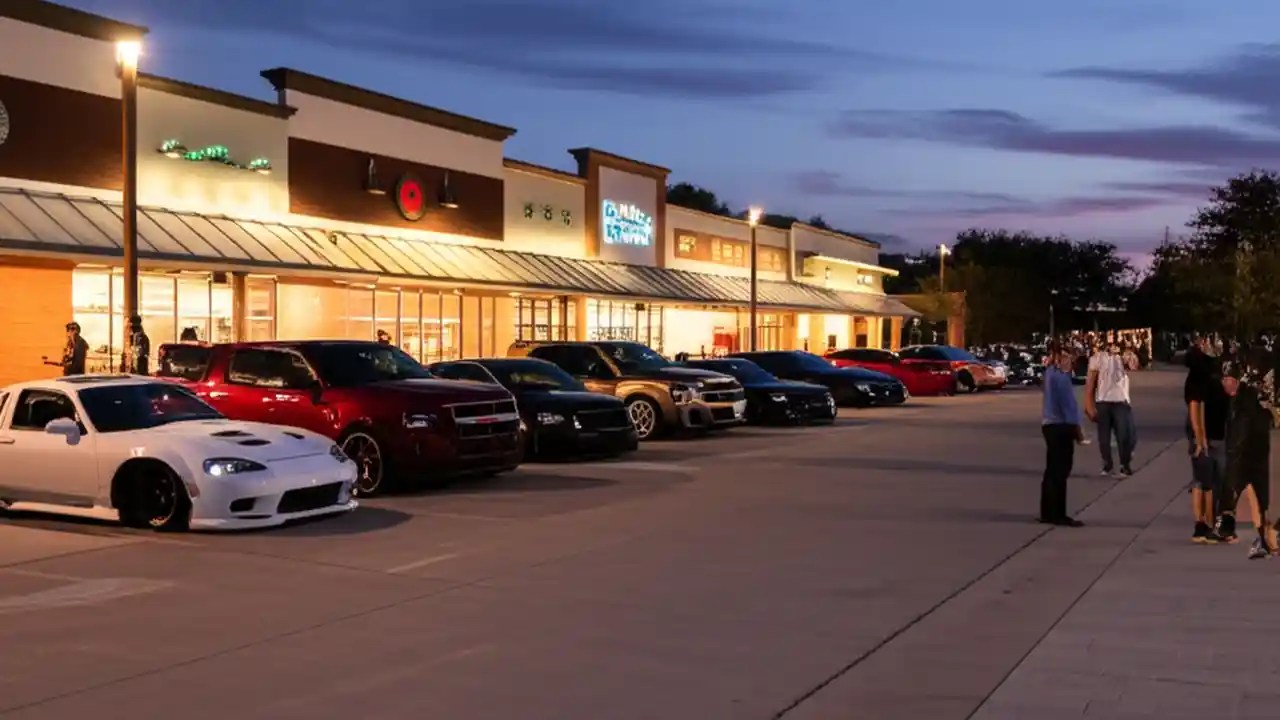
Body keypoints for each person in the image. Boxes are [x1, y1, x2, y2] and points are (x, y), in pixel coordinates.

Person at [1222, 343, 1280, 559]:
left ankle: (1267, 535)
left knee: (1256, 489)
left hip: (1254, 437)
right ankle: (1266, 535)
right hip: (1252, 439)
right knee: (1255, 487)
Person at [1185, 337, 1228, 543]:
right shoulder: (1198, 380)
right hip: (1207, 436)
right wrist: (1200, 438)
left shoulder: (1205, 379)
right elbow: (1196, 409)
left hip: (1212, 434)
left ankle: (1206, 524)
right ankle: (1205, 524)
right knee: (1207, 482)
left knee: (1206, 482)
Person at [1040, 341, 1086, 527]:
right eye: (1067, 358)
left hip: (1049, 425)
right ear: (1060, 358)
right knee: (1061, 470)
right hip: (1061, 426)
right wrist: (1078, 431)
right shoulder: (1061, 378)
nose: (1070, 362)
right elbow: (1068, 407)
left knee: (1051, 470)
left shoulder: (1050, 374)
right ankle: (1059, 513)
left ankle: (1047, 512)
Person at [1084, 340, 1135, 478]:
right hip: (1103, 402)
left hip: (1121, 401)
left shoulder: (1124, 356)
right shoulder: (1097, 358)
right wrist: (1088, 404)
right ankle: (1107, 465)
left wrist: (1126, 354)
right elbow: (1090, 382)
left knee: (1125, 436)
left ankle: (1125, 465)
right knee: (1104, 438)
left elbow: (1134, 366)